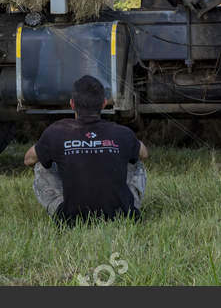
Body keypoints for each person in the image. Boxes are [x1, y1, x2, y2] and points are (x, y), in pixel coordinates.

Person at [24, 75, 147, 222]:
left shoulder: (57, 131)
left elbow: (28, 159)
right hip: (121, 216)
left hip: (70, 218)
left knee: (40, 165)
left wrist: (54, 148)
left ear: (72, 104)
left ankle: (69, 203)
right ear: (104, 103)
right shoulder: (122, 133)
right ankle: (123, 204)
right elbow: (144, 153)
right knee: (136, 162)